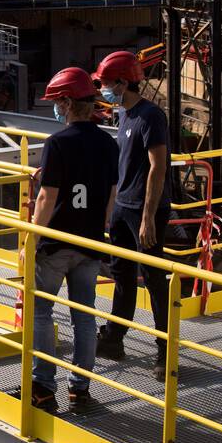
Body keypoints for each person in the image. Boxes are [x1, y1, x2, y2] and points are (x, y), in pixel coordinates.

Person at [17, 68, 118, 413]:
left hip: (57, 244)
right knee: (84, 316)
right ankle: (80, 389)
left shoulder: (58, 143)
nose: (55, 109)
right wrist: (98, 227)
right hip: (90, 243)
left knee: (41, 313)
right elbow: (111, 195)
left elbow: (46, 197)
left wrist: (32, 237)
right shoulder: (108, 143)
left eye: (57, 103)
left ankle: (43, 390)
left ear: (66, 103)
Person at [93, 51, 174, 376]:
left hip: (145, 211)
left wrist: (148, 217)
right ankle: (115, 338)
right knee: (122, 277)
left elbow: (158, 167)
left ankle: (166, 352)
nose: (102, 90)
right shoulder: (123, 116)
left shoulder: (152, 116)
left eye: (106, 84)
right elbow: (123, 167)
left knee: (154, 280)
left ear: (123, 82)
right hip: (124, 208)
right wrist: (112, 209)